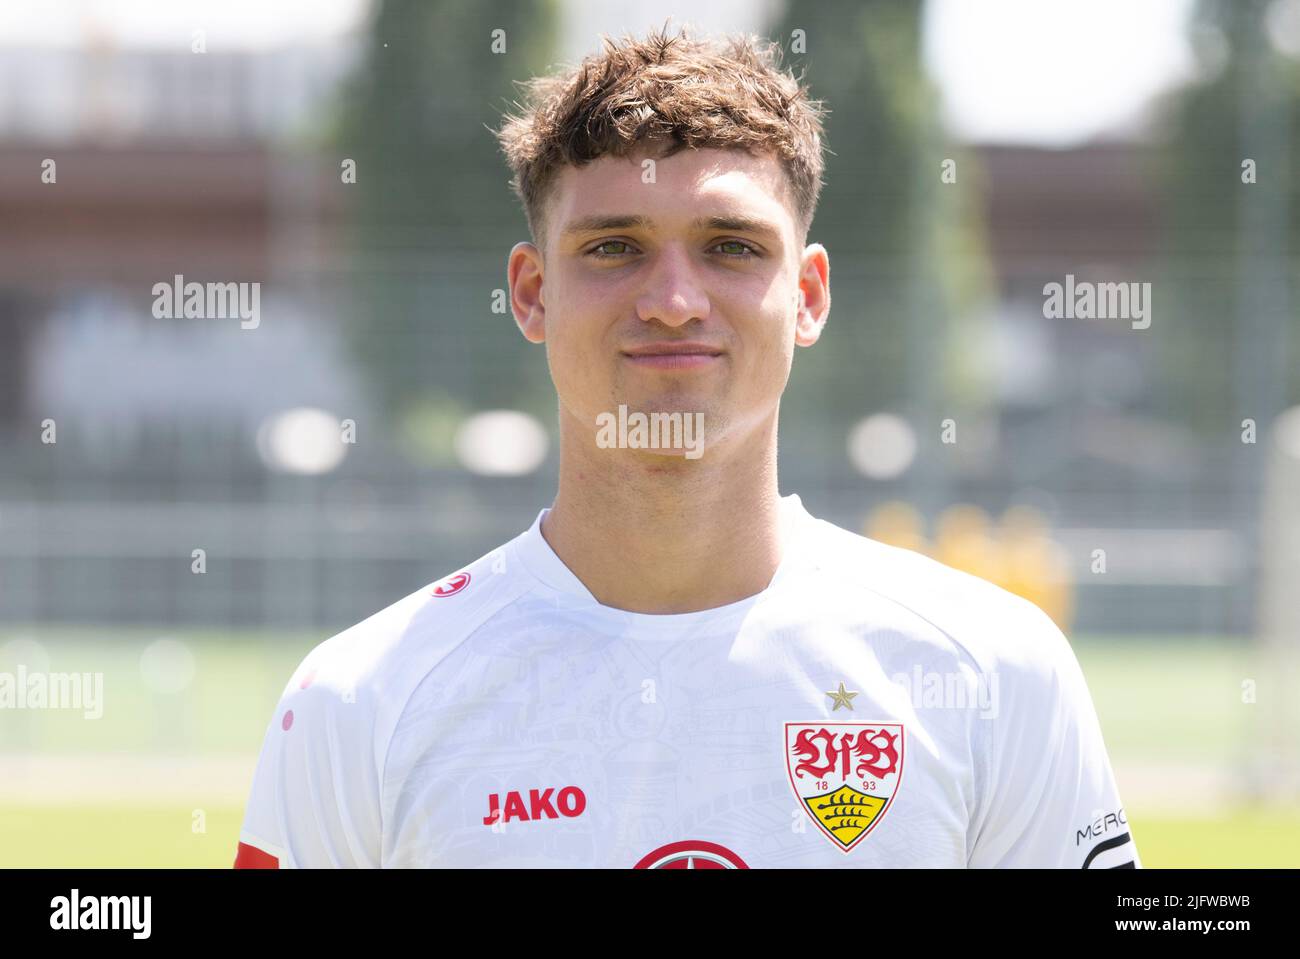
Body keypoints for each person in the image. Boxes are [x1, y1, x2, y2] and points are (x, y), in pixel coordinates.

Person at [235, 25, 1138, 869]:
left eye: (732, 247)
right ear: (532, 291)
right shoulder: (360, 701)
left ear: (809, 295)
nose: (673, 298)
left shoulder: (993, 673)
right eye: (615, 246)